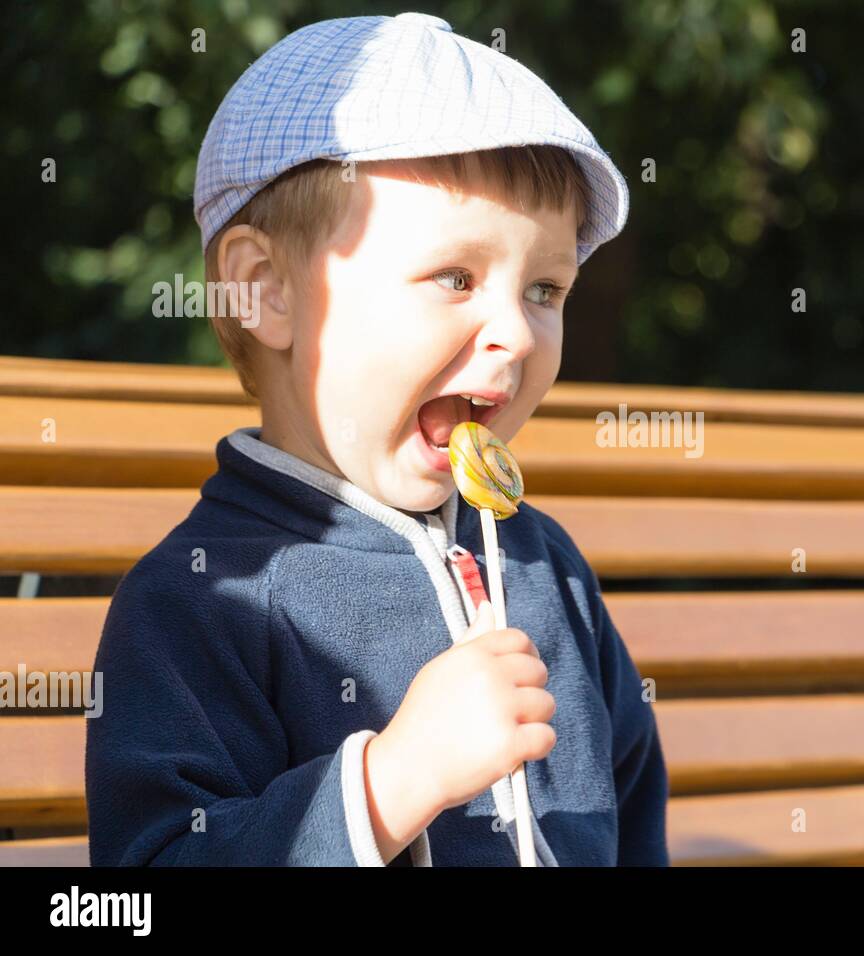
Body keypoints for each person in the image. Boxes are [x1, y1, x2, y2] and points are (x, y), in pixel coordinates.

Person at [85, 12, 668, 866]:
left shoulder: (545, 568)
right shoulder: (204, 600)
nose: (515, 329)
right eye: (456, 277)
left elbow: (633, 813)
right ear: (268, 292)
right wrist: (389, 786)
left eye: (545, 288)